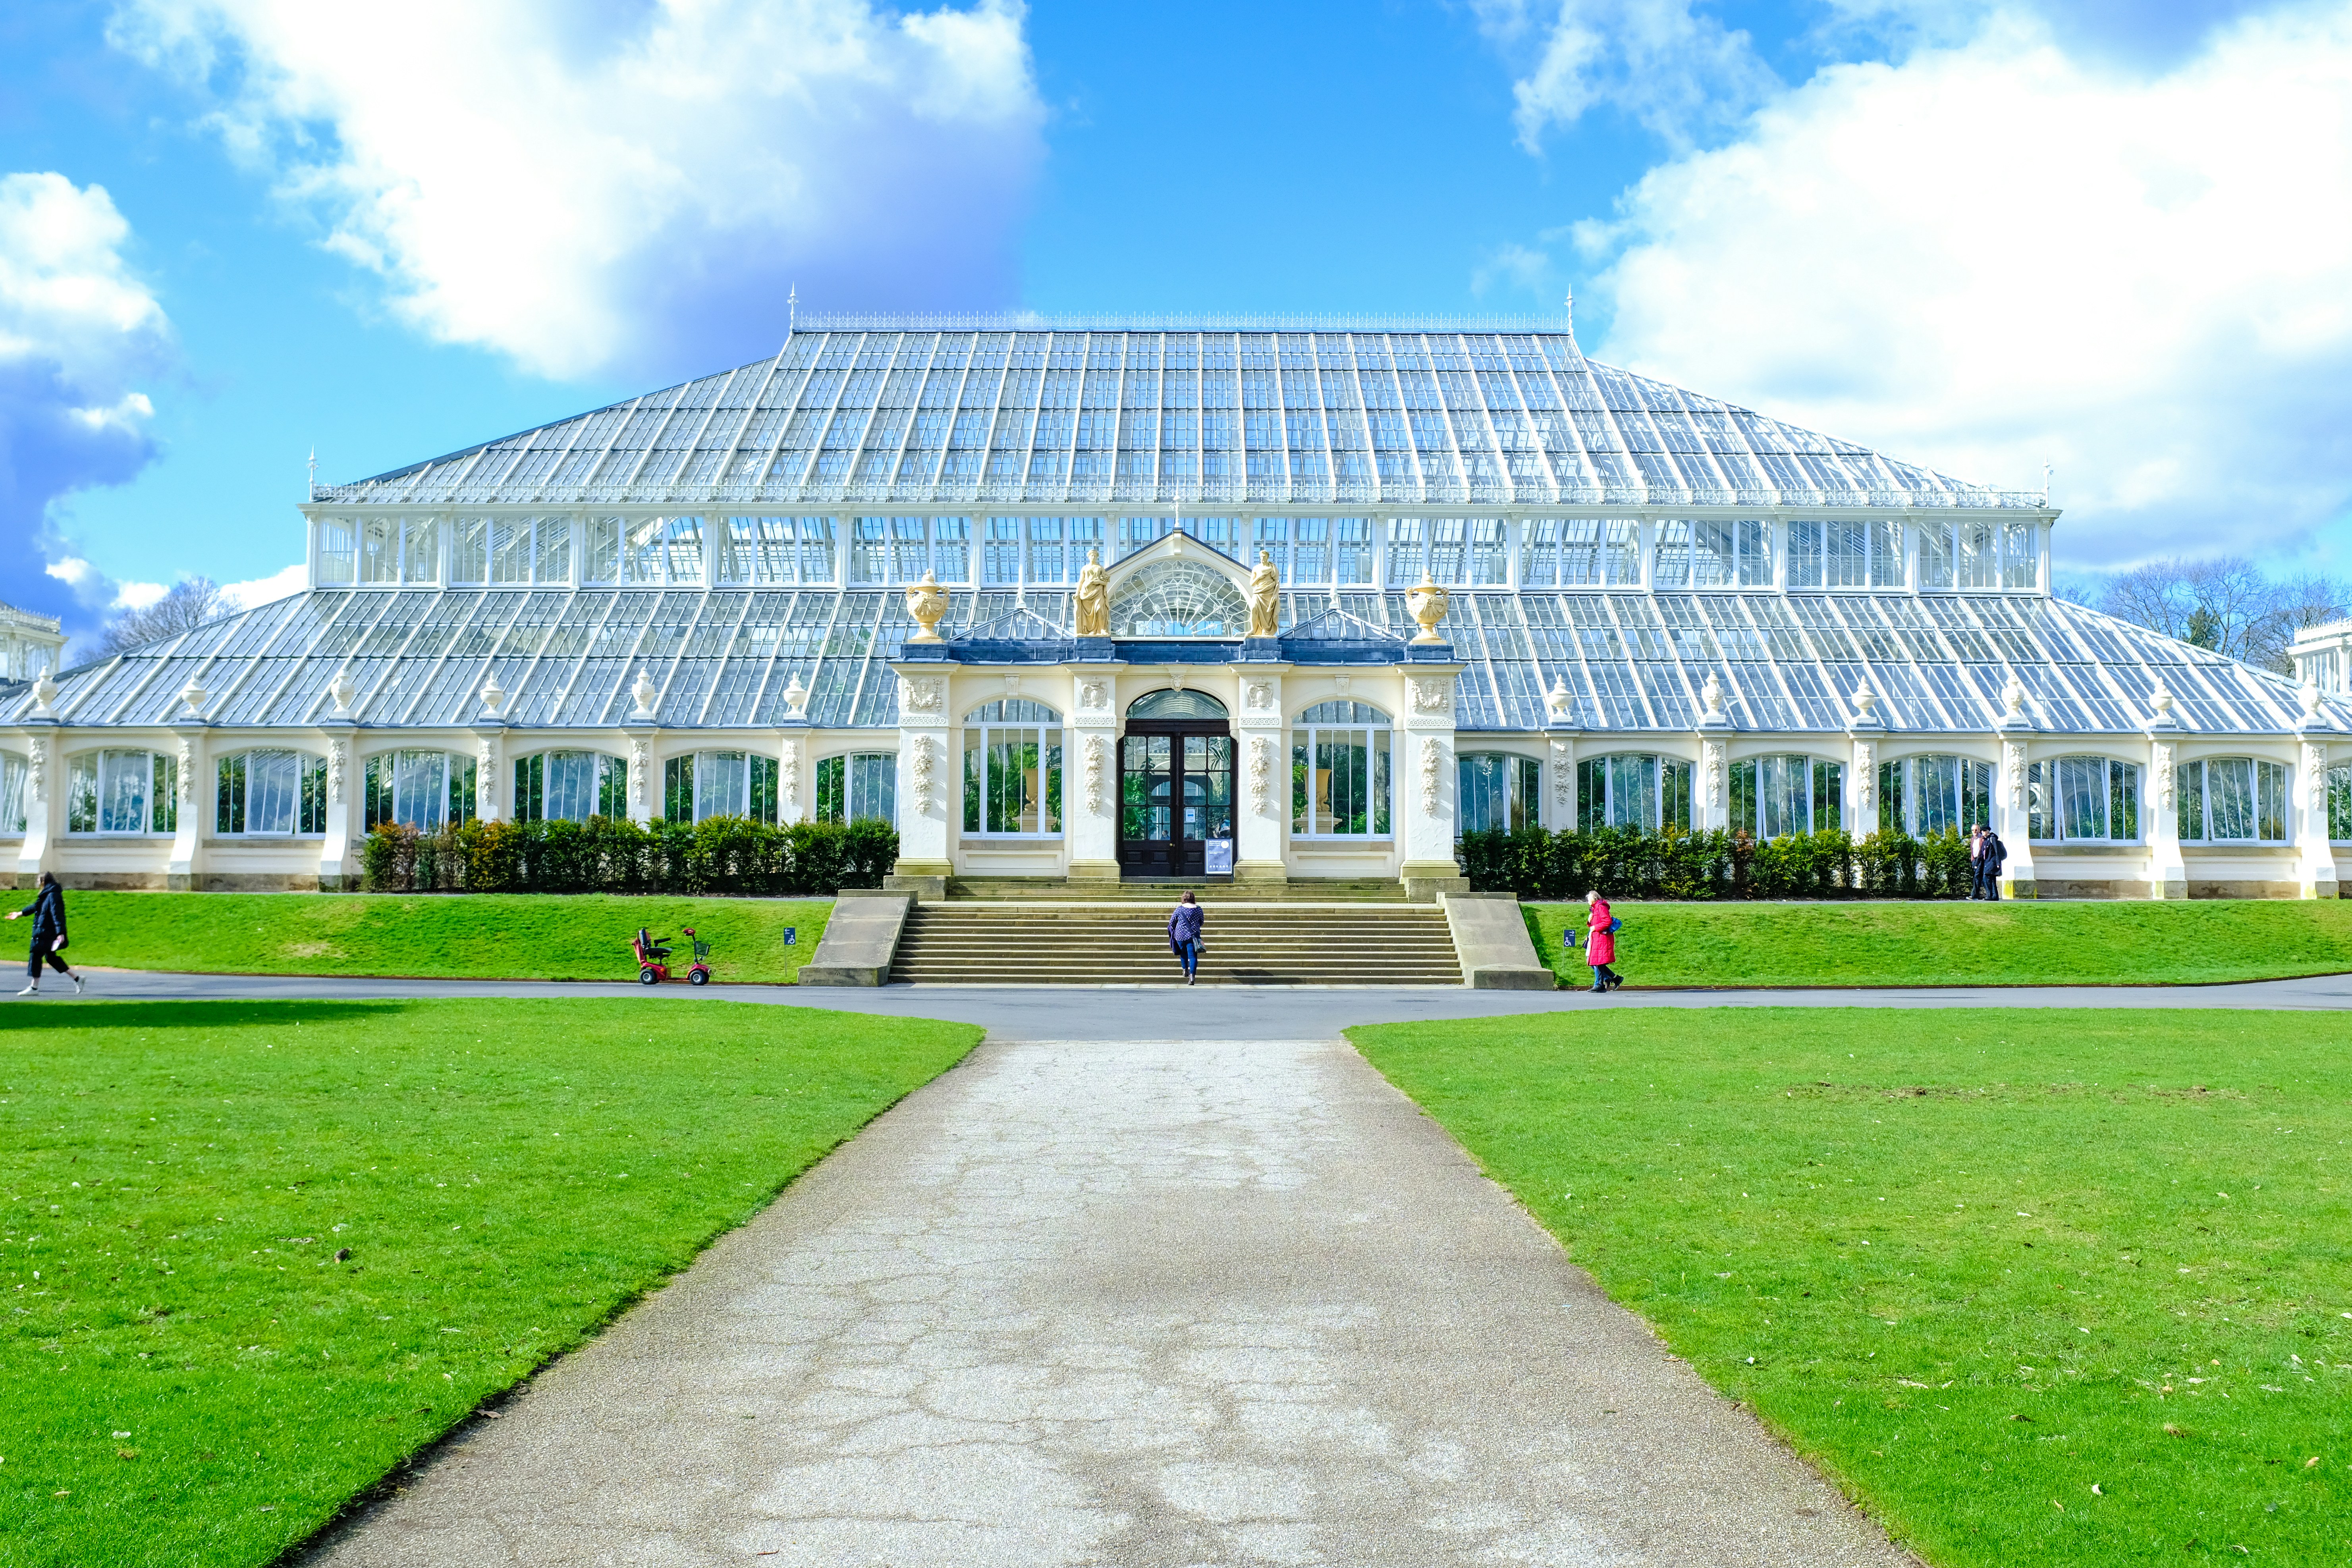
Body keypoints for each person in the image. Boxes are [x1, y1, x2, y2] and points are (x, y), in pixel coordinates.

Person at [8, 871, 83, 996]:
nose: (37, 883)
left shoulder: (53, 895)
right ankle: (77, 979)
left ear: (43, 881)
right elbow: (36, 907)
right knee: (51, 957)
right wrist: (19, 914)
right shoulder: (47, 894)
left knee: (36, 954)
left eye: (38, 880)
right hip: (46, 931)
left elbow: (57, 914)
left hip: (46, 931)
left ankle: (34, 987)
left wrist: (61, 933)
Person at [1583, 889, 1620, 993]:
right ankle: (1612, 979)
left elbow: (1607, 921)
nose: (1588, 901)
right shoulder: (1596, 908)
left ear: (1594, 899)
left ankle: (1600, 985)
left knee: (1598, 962)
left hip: (1602, 939)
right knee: (1596, 961)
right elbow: (1596, 924)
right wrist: (1590, 922)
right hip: (1598, 938)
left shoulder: (1601, 907)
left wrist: (1595, 927)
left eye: (1589, 899)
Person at [1168, 891, 1205, 986]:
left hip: (1180, 936)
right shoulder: (1198, 909)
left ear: (1183, 899)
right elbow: (1201, 922)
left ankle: (1185, 970)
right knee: (1193, 956)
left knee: (1183, 953)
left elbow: (1172, 923)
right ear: (1193, 899)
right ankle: (1192, 976)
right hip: (1193, 936)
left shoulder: (1179, 909)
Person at [1982, 825, 2008, 901]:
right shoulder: (1987, 840)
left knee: (1987, 878)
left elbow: (1997, 852)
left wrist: (1998, 863)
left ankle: (1990, 896)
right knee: (1992, 879)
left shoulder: (1992, 839)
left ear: (1988, 832)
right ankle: (1994, 896)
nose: (1983, 833)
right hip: (1989, 861)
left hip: (1993, 862)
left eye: (1984, 831)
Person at [1968, 825, 1990, 900]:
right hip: (1974, 860)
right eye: (1973, 830)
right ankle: (1980, 895)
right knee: (1977, 878)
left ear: (1979, 831)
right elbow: (1972, 850)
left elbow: (1981, 851)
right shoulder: (1973, 839)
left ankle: (1974, 895)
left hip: (1980, 860)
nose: (1975, 832)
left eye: (1976, 830)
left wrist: (1978, 861)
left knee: (1977, 877)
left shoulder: (1982, 839)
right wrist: (1973, 859)